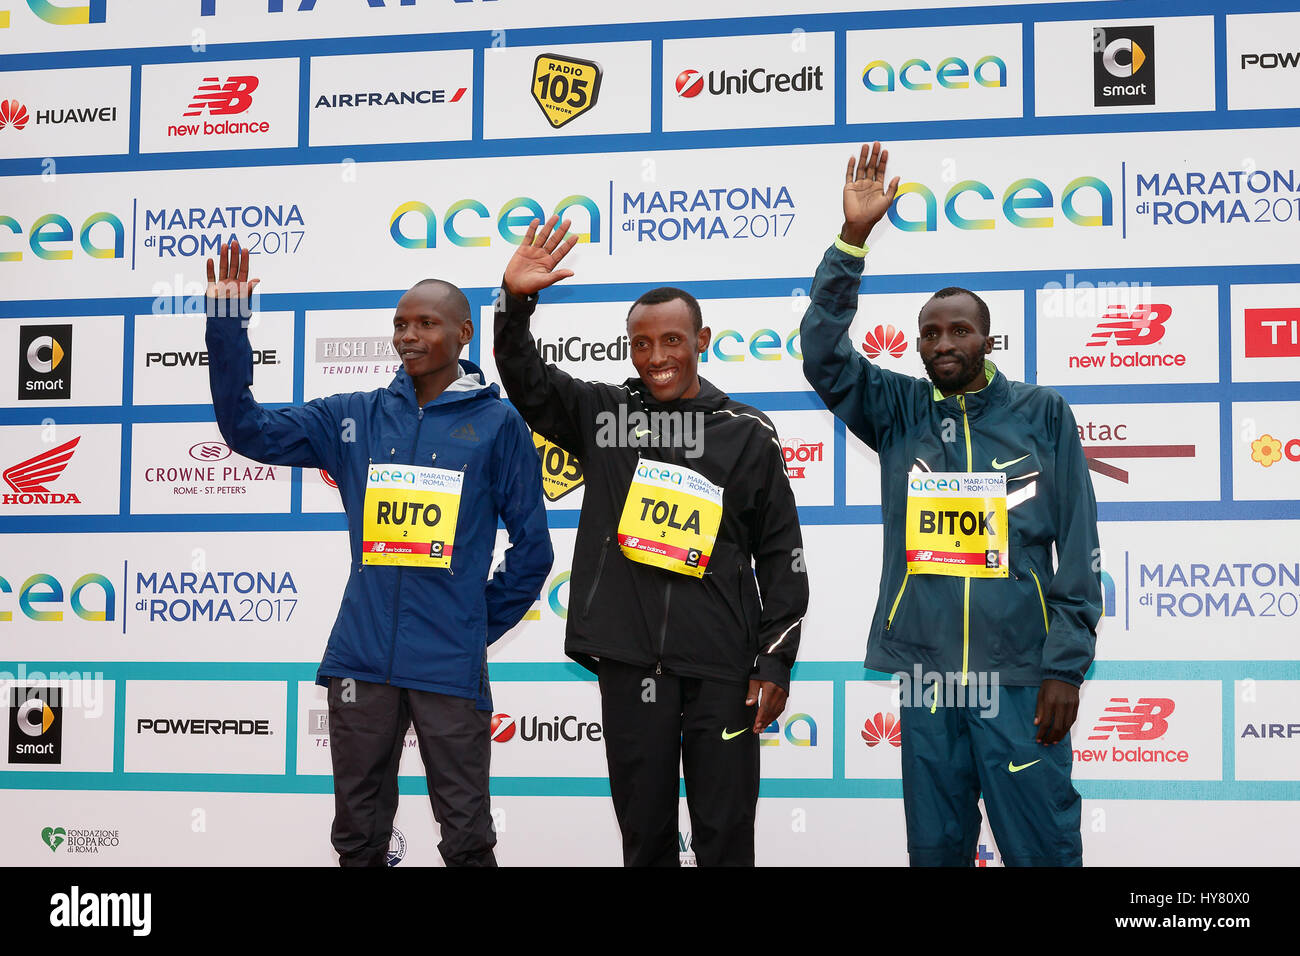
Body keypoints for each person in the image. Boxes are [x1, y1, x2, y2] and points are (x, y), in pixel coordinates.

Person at [800, 143, 1102, 867]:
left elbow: (1077, 539)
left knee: (1042, 847)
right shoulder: (898, 410)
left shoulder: (1041, 413)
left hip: (1019, 672)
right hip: (929, 676)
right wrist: (852, 242)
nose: (943, 343)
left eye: (958, 329)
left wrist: (1065, 667)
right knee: (935, 851)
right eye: (930, 332)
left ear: (987, 339)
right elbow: (820, 352)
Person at [204, 240, 552, 867]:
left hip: (448, 664)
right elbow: (246, 430)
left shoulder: (500, 426)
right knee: (358, 836)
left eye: (426, 323)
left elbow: (533, 551)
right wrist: (228, 331)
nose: (408, 336)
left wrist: (471, 623)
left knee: (468, 836)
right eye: (399, 324)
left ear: (464, 333)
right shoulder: (354, 418)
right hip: (361, 661)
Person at [493, 216, 808, 867]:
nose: (656, 356)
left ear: (703, 341)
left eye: (671, 340)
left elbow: (781, 554)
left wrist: (774, 662)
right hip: (632, 664)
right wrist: (514, 303)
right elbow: (526, 381)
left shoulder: (746, 432)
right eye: (641, 344)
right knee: (645, 838)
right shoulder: (606, 417)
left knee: (725, 837)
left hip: (723, 667)